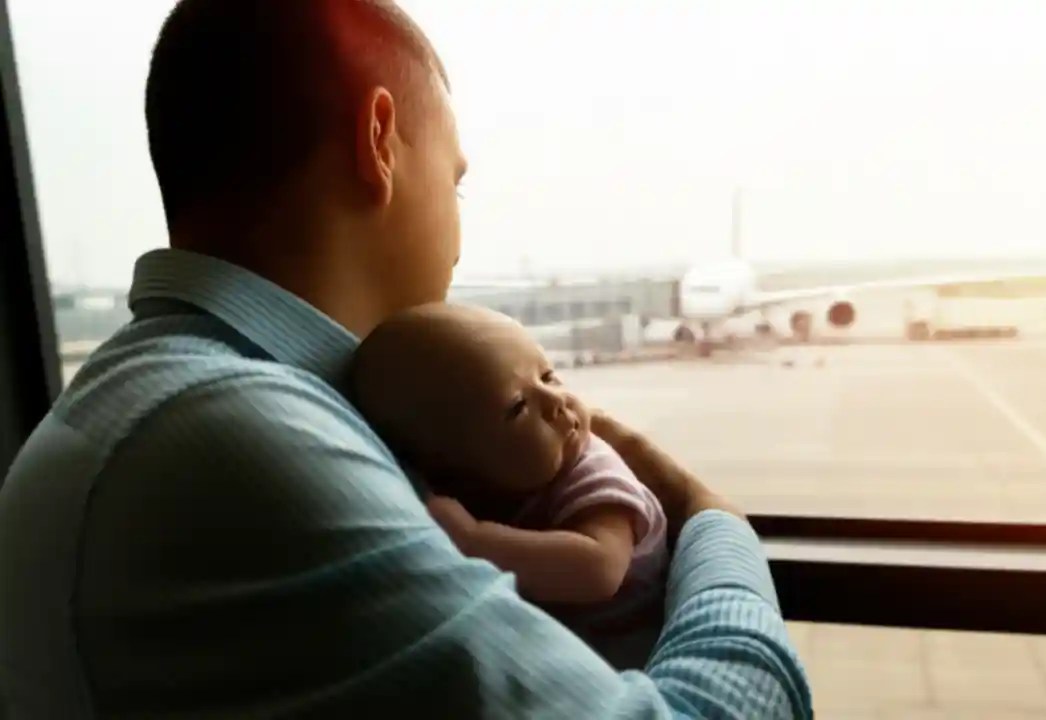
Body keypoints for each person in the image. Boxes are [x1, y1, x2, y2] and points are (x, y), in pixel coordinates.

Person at [0, 0, 812, 717]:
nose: (458, 234)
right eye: (454, 184)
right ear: (379, 141)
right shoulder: (240, 439)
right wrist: (713, 523)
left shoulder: (140, 399)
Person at [354, 302, 668, 670]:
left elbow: (599, 569)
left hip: (638, 638)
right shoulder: (476, 487)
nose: (556, 401)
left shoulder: (592, 472)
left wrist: (474, 541)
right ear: (447, 461)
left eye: (548, 376)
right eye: (518, 407)